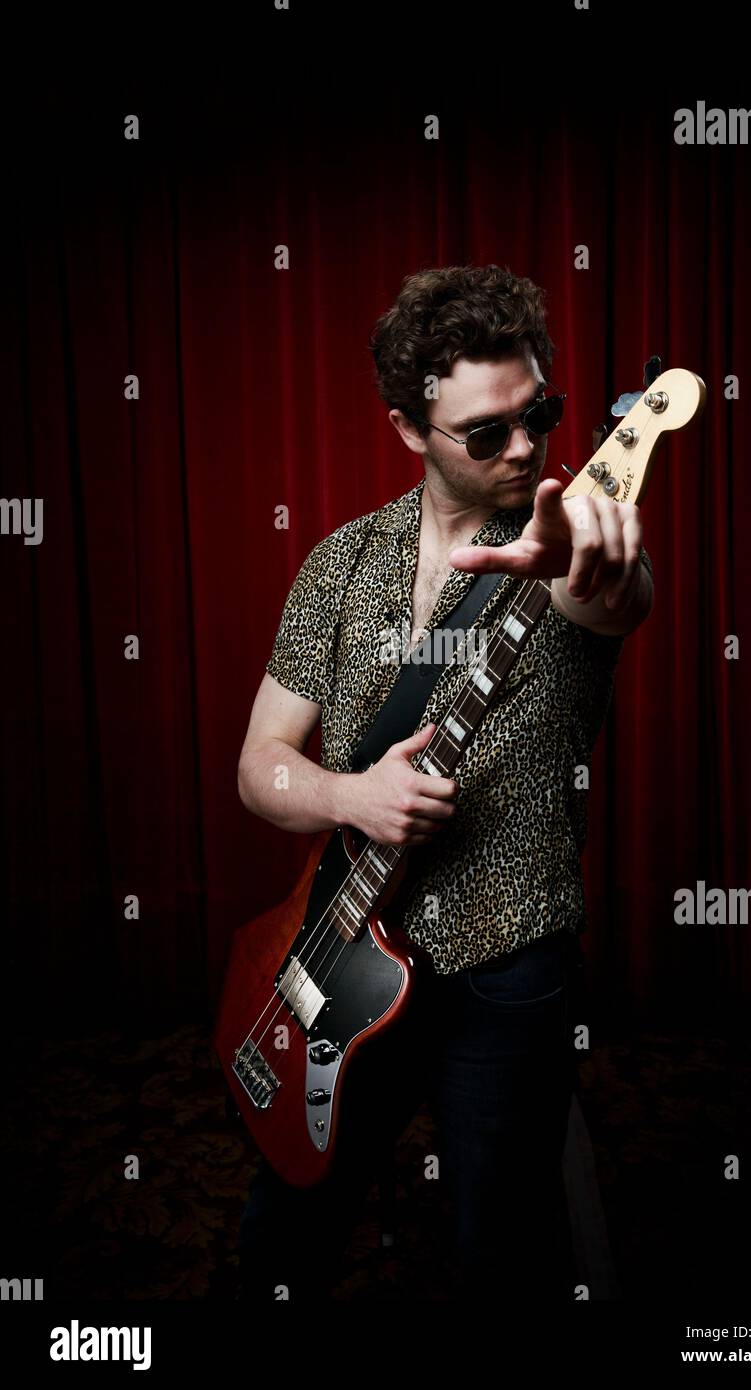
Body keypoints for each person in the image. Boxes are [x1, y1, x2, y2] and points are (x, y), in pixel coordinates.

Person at [234, 263, 654, 1302]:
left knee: (497, 1254)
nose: (523, 447)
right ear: (407, 429)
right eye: (485, 431)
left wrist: (599, 565)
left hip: (507, 965)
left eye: (540, 415)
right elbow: (259, 765)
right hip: (342, 949)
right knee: (281, 1236)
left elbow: (611, 595)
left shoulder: (558, 541)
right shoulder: (338, 566)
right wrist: (347, 797)